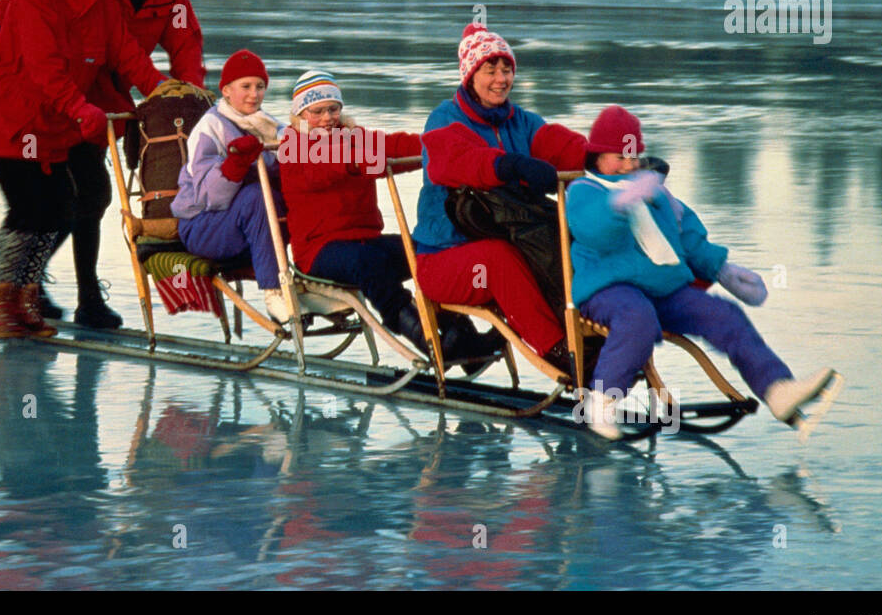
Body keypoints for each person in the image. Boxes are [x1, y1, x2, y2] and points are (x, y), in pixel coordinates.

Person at [0, 0, 205, 327]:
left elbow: (183, 41)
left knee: (88, 198)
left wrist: (183, 93)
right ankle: (33, 285)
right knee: (72, 196)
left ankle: (62, 291)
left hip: (109, 102)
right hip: (75, 97)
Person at [565, 104, 838, 439]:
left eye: (634, 156)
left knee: (723, 315)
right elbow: (593, 229)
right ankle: (602, 401)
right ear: (597, 158)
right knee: (637, 318)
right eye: (619, 157)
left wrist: (722, 269)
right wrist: (620, 204)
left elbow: (687, 236)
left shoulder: (656, 193)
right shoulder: (584, 191)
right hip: (609, 289)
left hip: (662, 288)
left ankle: (776, 389)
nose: (629, 164)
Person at [277, 70, 501, 364]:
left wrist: (438, 146)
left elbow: (393, 146)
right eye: (317, 112)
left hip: (365, 238)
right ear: (300, 116)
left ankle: (463, 335)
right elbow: (323, 170)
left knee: (427, 251)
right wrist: (358, 160)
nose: (327, 117)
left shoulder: (354, 139)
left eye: (333, 109)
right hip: (320, 250)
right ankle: (431, 342)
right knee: (369, 265)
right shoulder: (293, 150)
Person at [412, 23, 588, 371]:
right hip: (444, 260)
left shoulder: (519, 121)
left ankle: (591, 337)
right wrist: (510, 165)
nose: (500, 79)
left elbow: (560, 145)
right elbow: (454, 162)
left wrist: (604, 159)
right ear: (470, 76)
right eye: (489, 70)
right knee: (499, 260)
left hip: (510, 243)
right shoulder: (444, 119)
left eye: (506, 69)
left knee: (569, 241)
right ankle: (557, 351)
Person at [170, 50, 289, 323]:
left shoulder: (266, 125)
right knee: (256, 196)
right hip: (202, 225)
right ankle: (272, 292)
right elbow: (210, 197)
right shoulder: (211, 126)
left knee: (291, 194)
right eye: (245, 87)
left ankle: (309, 278)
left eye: (260, 87)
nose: (254, 94)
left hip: (247, 226)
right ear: (226, 91)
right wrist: (235, 163)